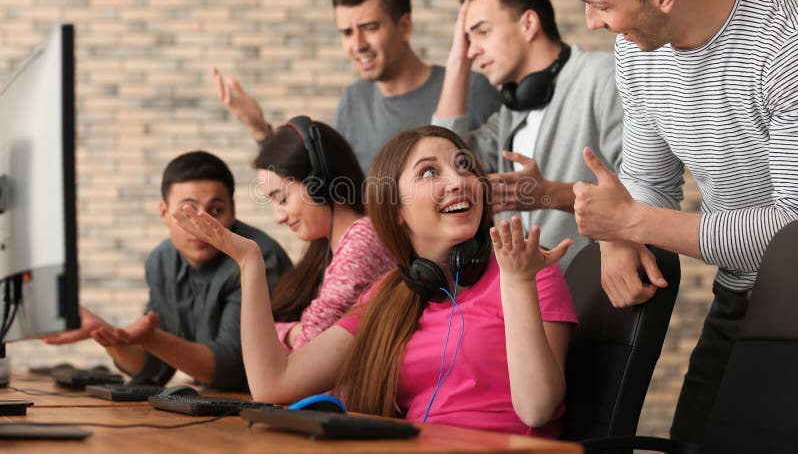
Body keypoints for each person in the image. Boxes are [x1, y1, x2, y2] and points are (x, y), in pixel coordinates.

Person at [553, 0, 798, 443]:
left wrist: (631, 223)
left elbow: (794, 236)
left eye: (601, 6)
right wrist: (620, 233)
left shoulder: (787, 45)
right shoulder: (637, 48)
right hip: (741, 293)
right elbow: (649, 179)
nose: (592, 24)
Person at [172, 125, 578, 437]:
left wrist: (518, 282)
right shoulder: (392, 293)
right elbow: (273, 385)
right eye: (429, 172)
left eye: (464, 166)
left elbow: (537, 408)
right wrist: (249, 263)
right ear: (396, 209)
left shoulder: (528, 270)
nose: (457, 181)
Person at [213, 0, 502, 173]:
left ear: (404, 26)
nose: (358, 45)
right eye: (347, 33)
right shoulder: (354, 99)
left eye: (369, 28)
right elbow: (322, 185)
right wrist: (260, 130)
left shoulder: (473, 90)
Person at [45, 151, 292, 391]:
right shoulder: (161, 261)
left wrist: (151, 338)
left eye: (216, 211)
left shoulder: (258, 258)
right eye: (187, 211)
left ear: (233, 210)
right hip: (214, 403)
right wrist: (102, 331)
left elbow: (229, 369)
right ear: (163, 213)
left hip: (271, 403)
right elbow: (153, 368)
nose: (201, 225)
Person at [433, 0, 622, 269]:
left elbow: (643, 193)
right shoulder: (512, 111)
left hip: (596, 285)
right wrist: (457, 65)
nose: (472, 50)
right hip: (526, 290)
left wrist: (548, 194)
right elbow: (446, 161)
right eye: (467, 39)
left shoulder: (602, 78)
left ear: (529, 24)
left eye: (482, 32)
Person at [253, 116, 395, 352]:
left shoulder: (363, 240)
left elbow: (308, 347)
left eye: (282, 198)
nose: (278, 217)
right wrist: (294, 331)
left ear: (318, 183)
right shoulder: (330, 248)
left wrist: (285, 333)